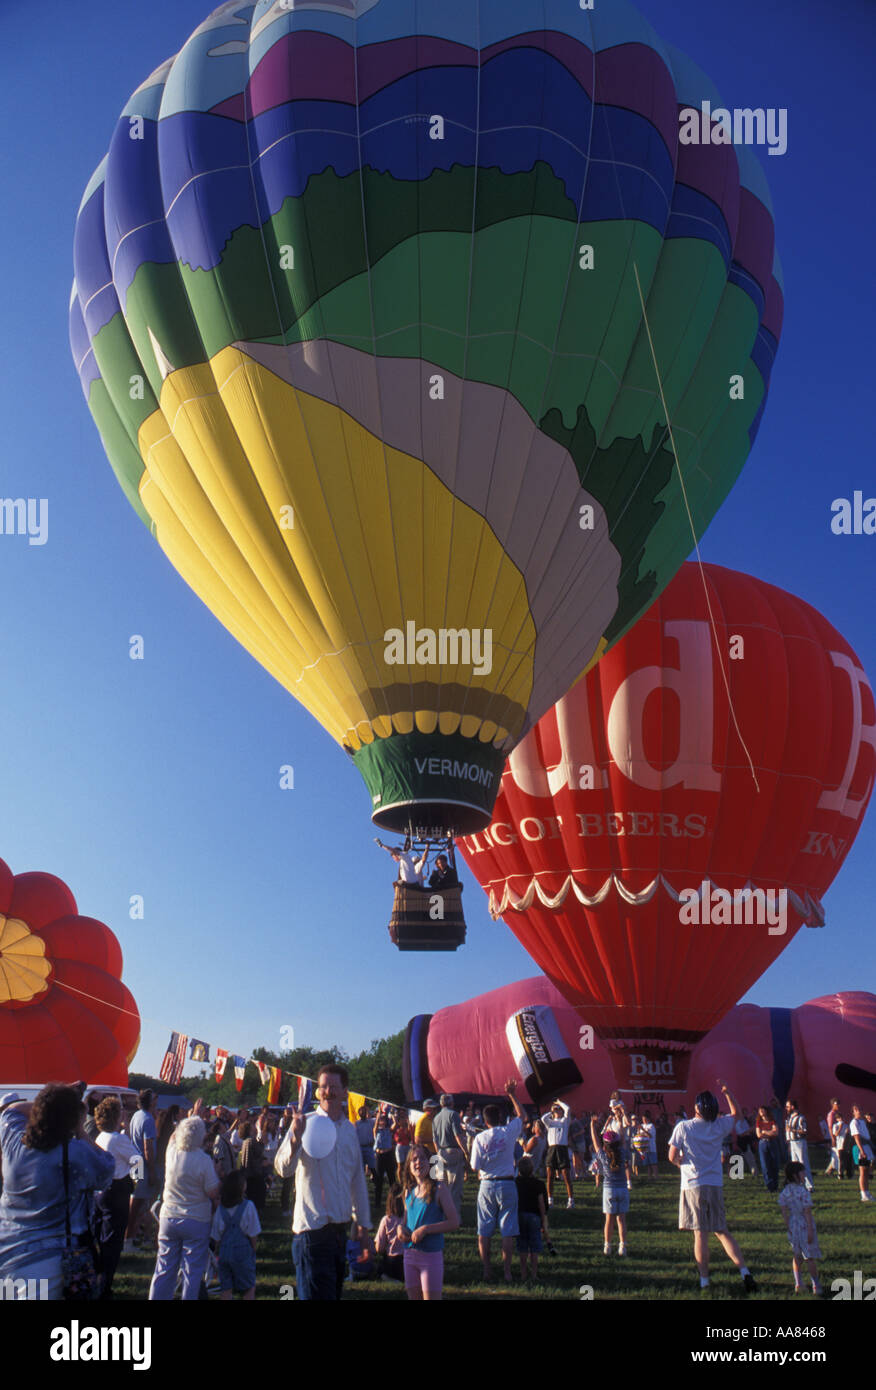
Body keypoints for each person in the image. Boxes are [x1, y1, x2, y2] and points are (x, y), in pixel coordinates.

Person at [0, 1085, 115, 1300]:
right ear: (71, 1121)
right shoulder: (75, 1154)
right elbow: (107, 1168)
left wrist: (50, 1102)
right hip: (48, 1263)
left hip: (7, 1255)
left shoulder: (14, 1144)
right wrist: (80, 1129)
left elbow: (11, 1110)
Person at [274, 1062, 373, 1301]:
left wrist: (363, 1226)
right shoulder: (304, 1123)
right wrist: (296, 1139)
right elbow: (283, 1170)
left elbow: (357, 1180)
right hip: (311, 1234)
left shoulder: (349, 1131)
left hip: (339, 1233)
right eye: (323, 1087)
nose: (327, 1092)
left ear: (345, 1092)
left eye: (333, 1087)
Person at [668, 1082, 757, 1293]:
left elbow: (671, 1156)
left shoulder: (684, 1126)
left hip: (693, 1185)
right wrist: (728, 1092)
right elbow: (736, 1114)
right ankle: (745, 1272)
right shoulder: (719, 1125)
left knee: (700, 1235)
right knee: (722, 1231)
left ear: (697, 1108)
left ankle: (705, 1282)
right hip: (715, 1184)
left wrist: (682, 1164)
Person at [149, 1116, 220, 1300]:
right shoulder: (204, 1160)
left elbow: (173, 1137)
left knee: (163, 1267)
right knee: (192, 1271)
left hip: (169, 1217)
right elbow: (212, 1192)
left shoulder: (171, 1152)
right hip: (196, 1219)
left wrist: (187, 1118)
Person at [470, 1080, 526, 1284]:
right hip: (507, 1183)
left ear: (485, 1122)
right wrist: (512, 1094)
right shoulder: (507, 1132)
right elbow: (522, 1116)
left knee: (484, 1230)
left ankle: (486, 1270)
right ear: (500, 1118)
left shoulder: (479, 1138)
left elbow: (475, 1166)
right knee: (508, 1229)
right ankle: (507, 1272)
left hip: (487, 1184)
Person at [93, 1096, 139, 1298]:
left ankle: (98, 1278)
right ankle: (105, 1287)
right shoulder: (118, 1139)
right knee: (113, 1242)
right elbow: (137, 1159)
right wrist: (138, 1179)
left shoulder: (100, 1137)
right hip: (117, 1190)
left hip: (100, 1191)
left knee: (102, 1238)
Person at [401, 1143, 459, 1301]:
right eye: (414, 1159)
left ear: (430, 1162)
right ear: (409, 1166)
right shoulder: (409, 1192)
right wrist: (401, 1229)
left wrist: (426, 1229)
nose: (418, 1162)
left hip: (430, 1257)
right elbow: (405, 1220)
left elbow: (454, 1222)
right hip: (409, 1256)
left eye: (422, 1158)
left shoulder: (439, 1189)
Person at [211, 1169, 260, 1301]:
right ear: (241, 1188)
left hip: (225, 1253)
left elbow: (216, 1235)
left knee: (226, 1288)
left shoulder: (221, 1209)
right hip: (243, 1252)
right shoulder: (248, 1206)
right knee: (249, 1287)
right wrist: (253, 1248)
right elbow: (253, 1232)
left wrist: (216, 1253)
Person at [778, 1161, 823, 1295]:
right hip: (804, 1224)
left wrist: (788, 1226)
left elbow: (784, 1210)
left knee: (797, 1256)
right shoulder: (803, 1192)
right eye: (802, 1172)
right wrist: (810, 1230)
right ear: (795, 1175)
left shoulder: (785, 1191)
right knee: (809, 1257)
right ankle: (816, 1284)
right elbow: (807, 1212)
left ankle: (799, 1283)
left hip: (793, 1225)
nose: (804, 1174)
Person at [590, 1113, 629, 1255]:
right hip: (623, 1189)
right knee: (621, 1220)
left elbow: (595, 1141)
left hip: (609, 1189)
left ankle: (607, 1246)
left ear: (605, 1145)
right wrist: (620, 1123)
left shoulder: (603, 1156)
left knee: (609, 1220)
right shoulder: (623, 1153)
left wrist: (592, 1125)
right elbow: (624, 1138)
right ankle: (622, 1247)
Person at [124, 1088, 157, 1252]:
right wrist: (152, 1170)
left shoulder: (136, 1115)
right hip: (142, 1163)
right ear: (150, 1102)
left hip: (134, 1160)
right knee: (137, 1204)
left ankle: (134, 1237)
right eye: (155, 1099)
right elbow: (148, 1147)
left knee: (137, 1203)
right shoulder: (148, 1119)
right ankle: (128, 1240)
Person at [431, 1094, 468, 1219]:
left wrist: (438, 1154)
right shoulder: (454, 1115)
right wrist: (466, 1151)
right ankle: (454, 1217)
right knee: (455, 1188)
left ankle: (441, 1215)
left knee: (442, 1187)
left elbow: (435, 1140)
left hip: (441, 1152)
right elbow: (458, 1136)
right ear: (451, 1103)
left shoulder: (435, 1118)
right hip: (453, 1151)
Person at [515, 1155, 548, 1281]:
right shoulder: (538, 1184)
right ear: (532, 1169)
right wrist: (543, 1218)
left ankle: (523, 1273)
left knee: (522, 1245)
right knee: (534, 1246)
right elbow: (541, 1203)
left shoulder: (515, 1183)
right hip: (534, 1216)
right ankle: (534, 1273)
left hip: (520, 1215)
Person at [541, 1099, 575, 1208]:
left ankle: (570, 1200)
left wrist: (560, 1103)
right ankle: (550, 1200)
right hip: (552, 1149)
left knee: (566, 1175)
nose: (557, 1111)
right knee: (550, 1175)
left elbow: (568, 1109)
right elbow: (543, 1118)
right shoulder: (550, 1122)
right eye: (555, 1110)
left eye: (558, 1110)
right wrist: (551, 1111)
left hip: (562, 1149)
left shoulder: (565, 1121)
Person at [375, 1185, 406, 1282]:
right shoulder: (410, 1218)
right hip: (408, 1259)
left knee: (379, 1268)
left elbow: (379, 1248)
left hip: (392, 1261)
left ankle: (388, 1278)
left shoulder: (386, 1220)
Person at [238, 1121, 267, 1214]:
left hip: (248, 1172)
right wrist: (262, 1143)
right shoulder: (251, 1141)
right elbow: (258, 1153)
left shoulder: (246, 1141)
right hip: (253, 1173)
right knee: (256, 1195)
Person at [784, 1099, 813, 1190]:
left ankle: (809, 1185)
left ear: (793, 1106)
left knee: (803, 1163)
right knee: (794, 1164)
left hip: (799, 1141)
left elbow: (804, 1131)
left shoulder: (800, 1118)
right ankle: (798, 1183)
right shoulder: (789, 1118)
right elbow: (787, 1132)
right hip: (792, 1142)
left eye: (788, 1106)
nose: (786, 1108)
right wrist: (788, 1143)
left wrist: (793, 1130)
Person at [849, 1104, 874, 1202]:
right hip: (860, 1148)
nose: (859, 1111)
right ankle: (863, 1194)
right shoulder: (854, 1123)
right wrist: (862, 1151)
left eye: (860, 1109)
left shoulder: (862, 1122)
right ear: (853, 1112)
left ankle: (867, 1193)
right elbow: (857, 1137)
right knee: (863, 1172)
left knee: (867, 1171)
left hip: (866, 1146)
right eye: (856, 1110)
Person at [755, 1106, 780, 1193]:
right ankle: (769, 1186)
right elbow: (758, 1135)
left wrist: (765, 1132)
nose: (761, 1111)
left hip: (772, 1143)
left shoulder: (772, 1121)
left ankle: (775, 1185)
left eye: (762, 1110)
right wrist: (770, 1132)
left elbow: (776, 1132)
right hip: (763, 1143)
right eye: (760, 1110)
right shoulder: (759, 1123)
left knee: (774, 1164)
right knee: (765, 1165)